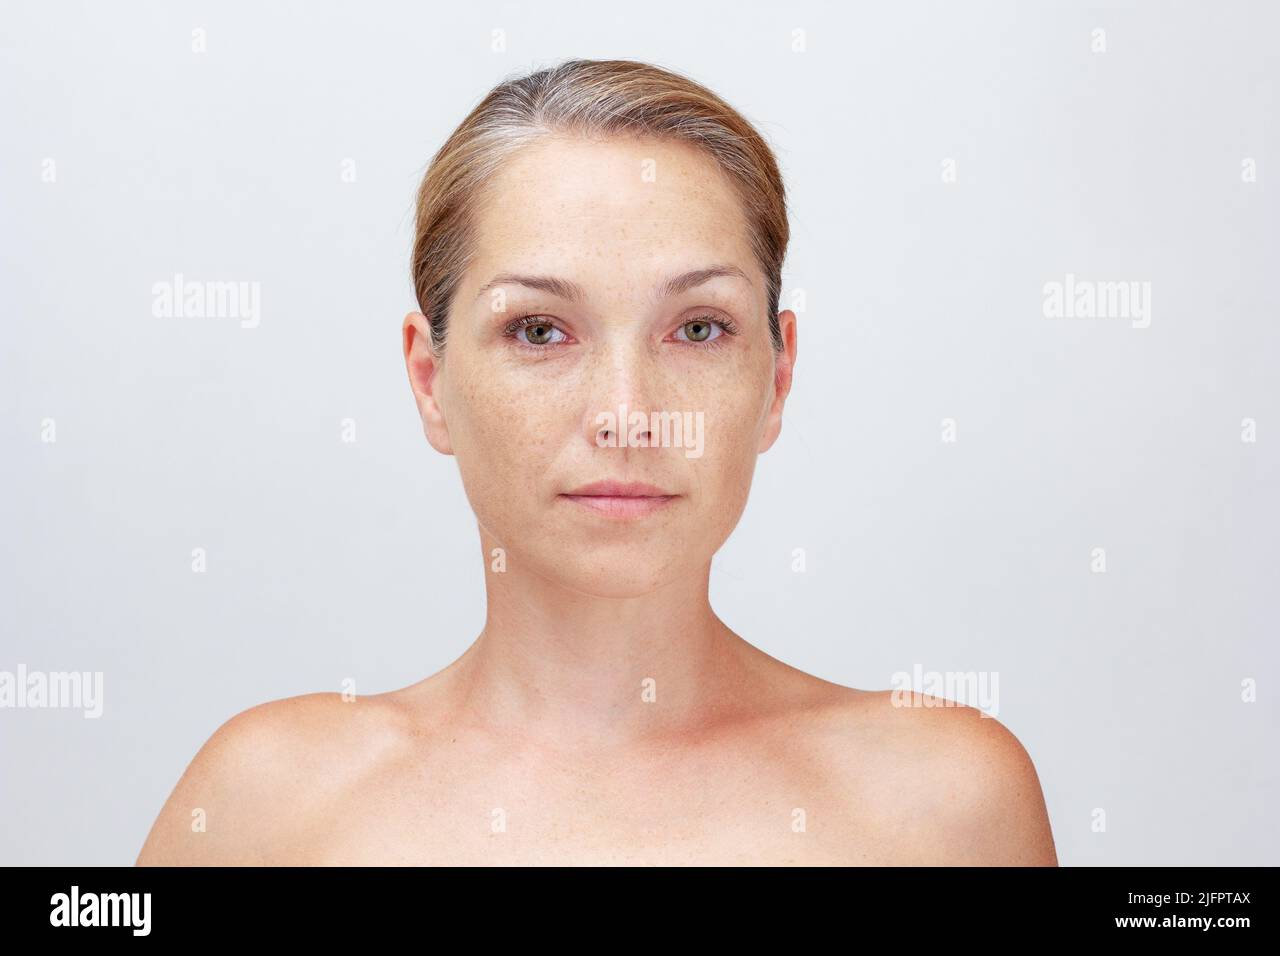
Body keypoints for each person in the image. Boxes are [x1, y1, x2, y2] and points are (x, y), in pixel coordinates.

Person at [137, 58, 1057, 866]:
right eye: (539, 330)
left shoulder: (943, 804)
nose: (628, 415)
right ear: (430, 380)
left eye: (698, 329)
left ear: (777, 377)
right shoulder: (269, 806)